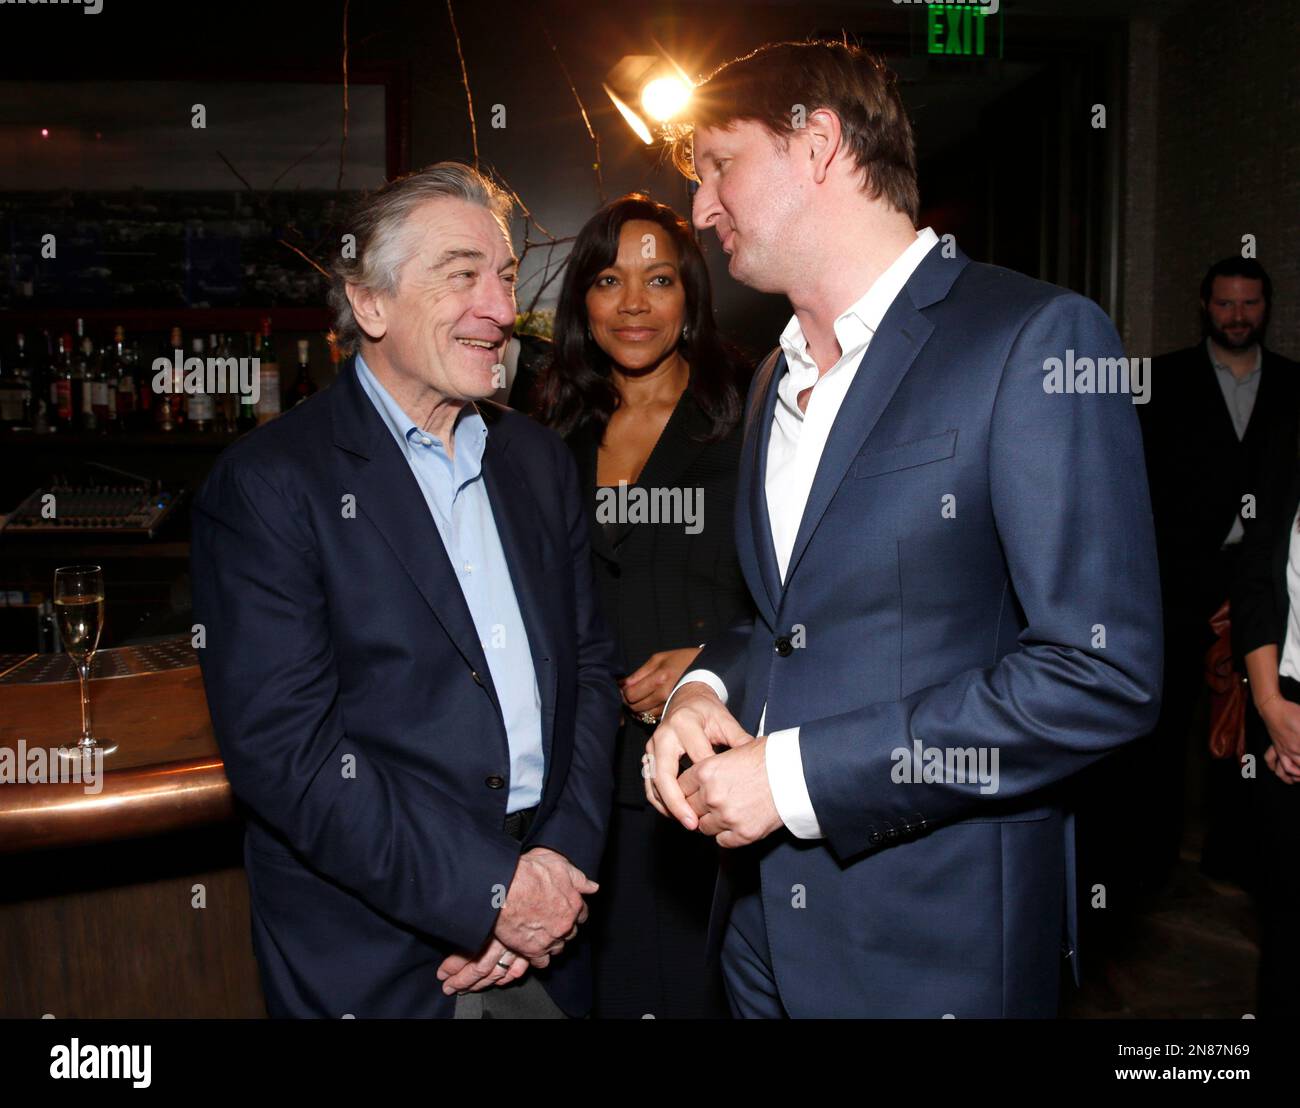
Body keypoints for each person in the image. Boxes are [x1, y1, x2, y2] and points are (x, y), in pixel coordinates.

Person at [645, 40, 1163, 1018]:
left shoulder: (1034, 339)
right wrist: (701, 692)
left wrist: (794, 778)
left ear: (818, 146)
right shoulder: (770, 375)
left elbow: (1101, 674)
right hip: (757, 931)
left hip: (932, 948)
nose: (701, 207)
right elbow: (782, 619)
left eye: (716, 165)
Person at [190, 162, 621, 1019]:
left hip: (557, 924)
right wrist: (492, 893)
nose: (500, 309)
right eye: (462, 275)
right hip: (382, 958)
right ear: (371, 304)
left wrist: (559, 866)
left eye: (502, 278)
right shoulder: (271, 485)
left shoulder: (535, 459)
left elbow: (591, 669)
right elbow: (291, 757)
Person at [534, 193, 753, 1017]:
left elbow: (809, 591)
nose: (632, 304)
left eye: (659, 280)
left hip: (711, 772)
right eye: (607, 280)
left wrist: (711, 663)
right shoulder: (550, 428)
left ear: (691, 296)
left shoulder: (750, 412)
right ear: (581, 301)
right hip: (588, 777)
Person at [1139, 257, 1300, 889]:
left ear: (1267, 308)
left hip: (1267, 585)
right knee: (1166, 720)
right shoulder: (1160, 379)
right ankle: (1153, 857)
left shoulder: (1294, 383)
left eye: (1250, 304)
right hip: (1180, 581)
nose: (1238, 316)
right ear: (1206, 305)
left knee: (1255, 722)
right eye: (1226, 304)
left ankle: (1240, 857)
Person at [1231, 437, 1300, 1017]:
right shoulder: (1287, 457)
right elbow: (1254, 583)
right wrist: (1273, 711)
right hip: (1285, 706)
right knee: (1287, 911)